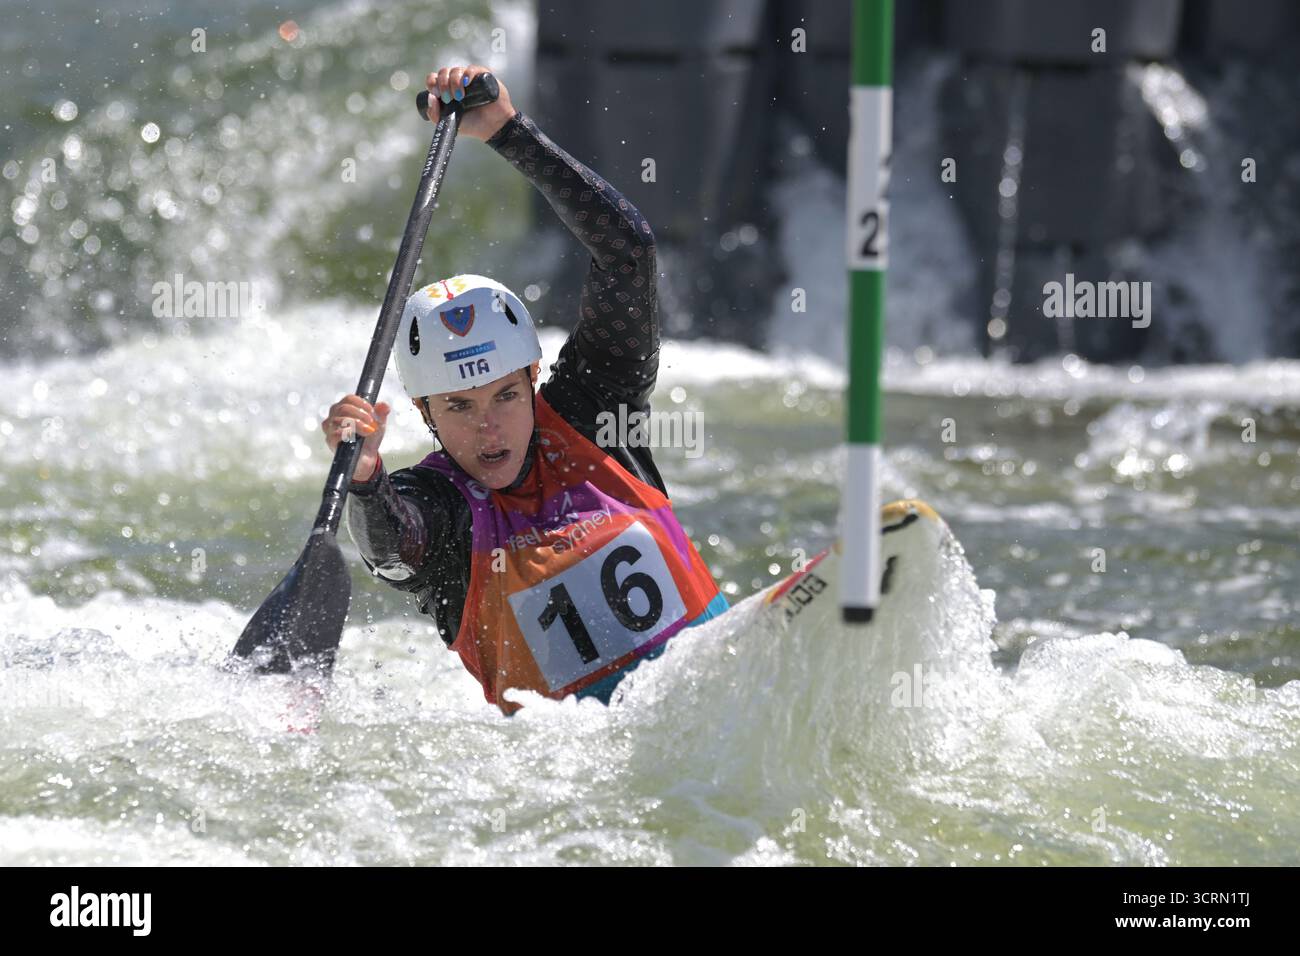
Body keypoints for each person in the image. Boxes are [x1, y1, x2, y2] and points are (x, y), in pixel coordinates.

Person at [322, 65, 729, 716]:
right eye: (459, 407)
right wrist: (366, 478)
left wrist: (510, 134)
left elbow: (627, 256)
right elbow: (396, 553)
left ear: (532, 380)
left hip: (717, 690)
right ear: (424, 413)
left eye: (504, 397)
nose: (489, 427)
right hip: (583, 771)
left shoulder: (595, 416)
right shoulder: (443, 513)